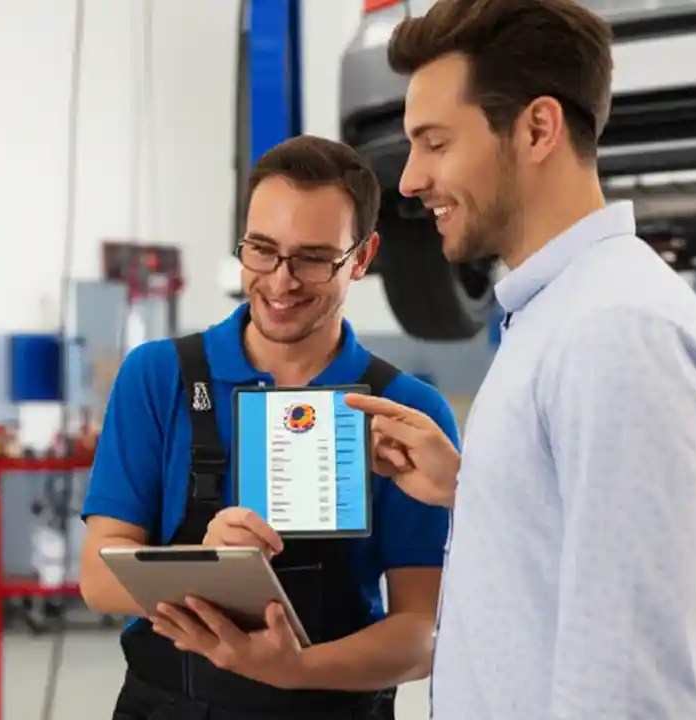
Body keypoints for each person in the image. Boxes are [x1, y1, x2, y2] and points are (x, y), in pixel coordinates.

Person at [342, 1, 696, 718]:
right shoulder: (559, 313)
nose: (408, 181)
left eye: (435, 143)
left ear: (538, 128)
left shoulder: (617, 335)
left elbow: (628, 688)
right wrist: (475, 486)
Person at [79, 134, 458, 720]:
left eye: (311, 257)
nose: (280, 282)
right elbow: (99, 577)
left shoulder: (405, 413)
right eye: (261, 250)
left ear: (362, 257)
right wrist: (200, 564)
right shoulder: (159, 378)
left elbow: (422, 630)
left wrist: (295, 670)